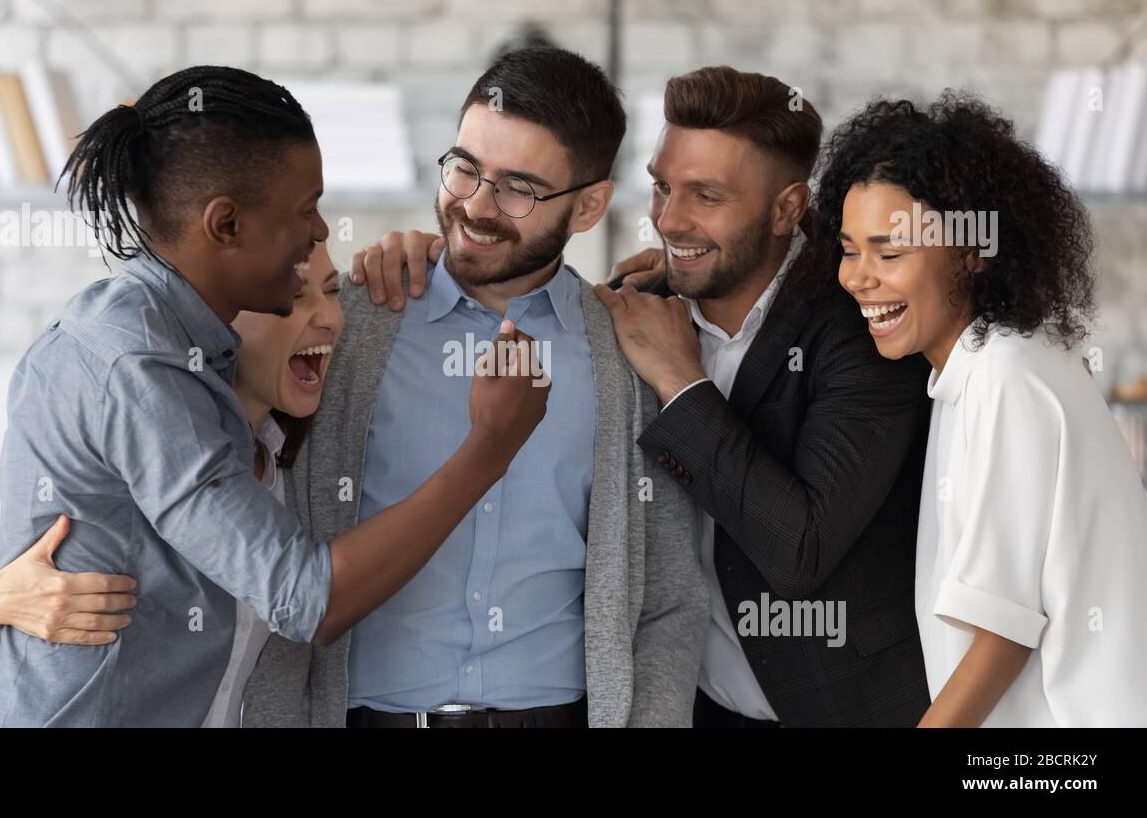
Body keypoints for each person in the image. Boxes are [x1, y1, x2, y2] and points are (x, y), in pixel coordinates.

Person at [0, 66, 550, 727]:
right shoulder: (134, 367)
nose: (319, 231)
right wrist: (490, 448)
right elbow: (304, 596)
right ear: (225, 224)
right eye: (304, 209)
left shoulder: (187, 344)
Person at [360, 65, 934, 727]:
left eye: (707, 196)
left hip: (846, 709)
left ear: (786, 208)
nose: (669, 219)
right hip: (701, 708)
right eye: (663, 187)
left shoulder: (861, 329)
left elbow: (800, 548)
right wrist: (423, 255)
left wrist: (680, 382)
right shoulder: (640, 309)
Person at [242, 47, 709, 729]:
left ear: (588, 206)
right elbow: (260, 535)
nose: (475, 207)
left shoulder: (626, 353)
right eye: (465, 168)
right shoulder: (352, 328)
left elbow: (669, 595)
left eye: (517, 188)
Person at [0, 246, 347, 728]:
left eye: (332, 291)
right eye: (296, 297)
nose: (327, 316)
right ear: (222, 323)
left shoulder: (297, 478)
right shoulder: (115, 451)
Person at [817, 93, 1147, 726]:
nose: (858, 277)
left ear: (972, 252)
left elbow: (1002, 635)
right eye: (849, 248)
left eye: (889, 253)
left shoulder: (1005, 377)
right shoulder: (986, 366)